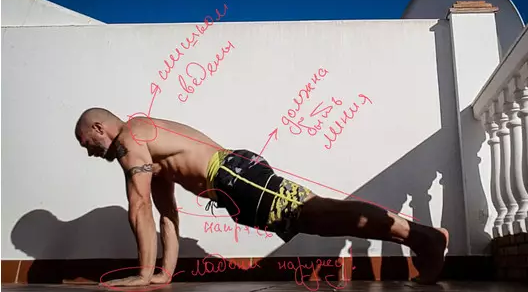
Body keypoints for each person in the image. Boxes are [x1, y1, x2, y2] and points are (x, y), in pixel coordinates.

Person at [75, 108, 449, 287]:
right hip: (235, 177)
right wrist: (161, 274)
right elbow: (167, 215)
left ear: (99, 127)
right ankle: (421, 238)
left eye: (88, 143)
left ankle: (422, 238)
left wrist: (141, 275)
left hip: (233, 176)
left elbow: (137, 206)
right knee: (317, 219)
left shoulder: (130, 140)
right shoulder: (150, 150)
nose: (90, 152)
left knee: (317, 214)